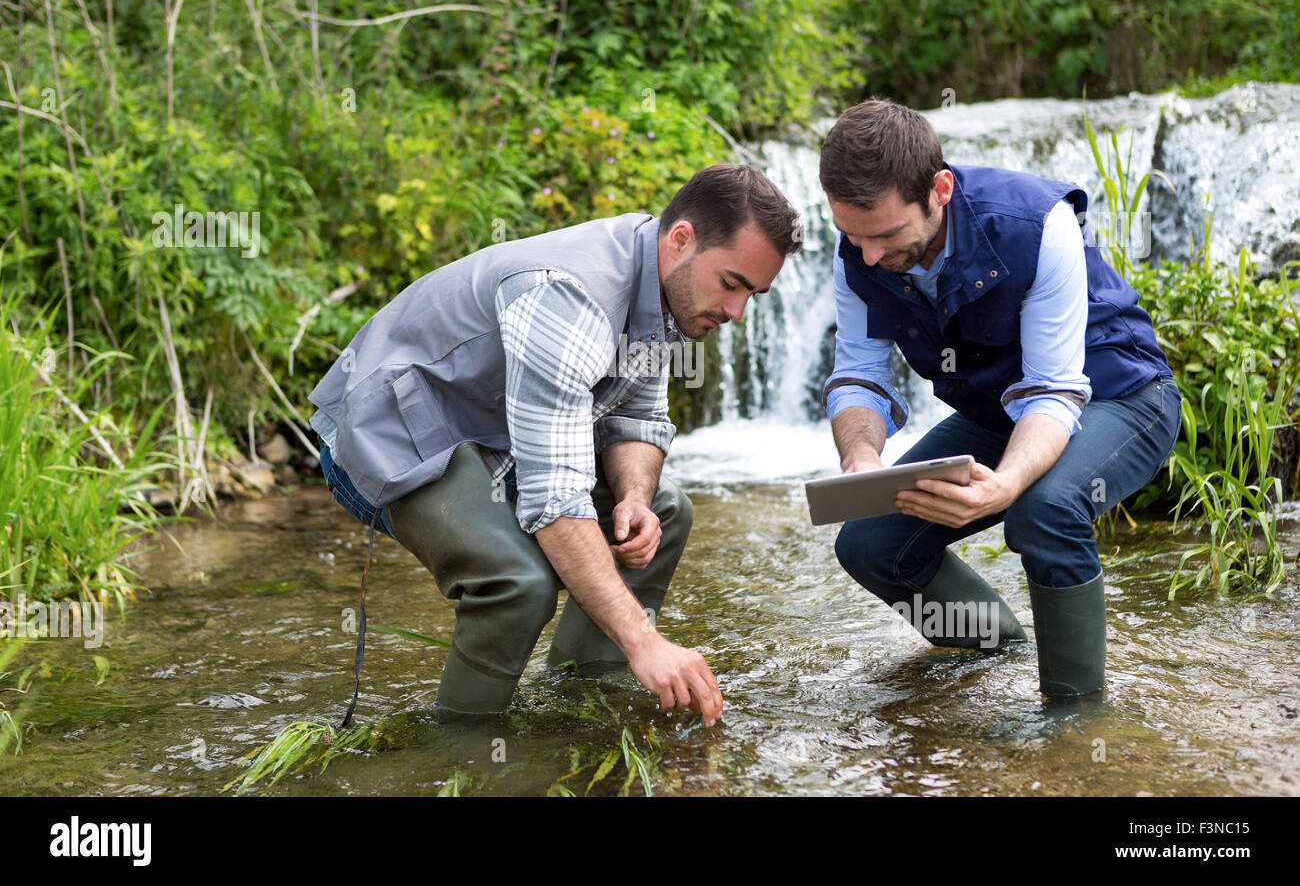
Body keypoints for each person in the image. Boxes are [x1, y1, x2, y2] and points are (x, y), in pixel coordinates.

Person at [308, 164, 800, 724]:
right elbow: (554, 500)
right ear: (680, 239)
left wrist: (633, 498)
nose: (736, 313)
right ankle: (461, 752)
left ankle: (578, 706)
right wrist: (645, 640)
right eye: (731, 284)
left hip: (497, 438)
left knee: (665, 511)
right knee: (519, 582)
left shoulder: (667, 287)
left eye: (752, 294)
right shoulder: (569, 296)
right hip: (389, 431)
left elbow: (636, 416)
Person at [819, 99, 1181, 696]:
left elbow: (1053, 389)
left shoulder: (1035, 224)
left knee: (1043, 510)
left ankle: (1073, 714)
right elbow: (860, 376)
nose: (870, 257)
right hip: (1004, 409)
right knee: (869, 543)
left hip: (1121, 395)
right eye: (853, 236)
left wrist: (1008, 484)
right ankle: (996, 652)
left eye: (885, 235)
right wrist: (861, 462)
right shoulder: (859, 250)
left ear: (939, 189)